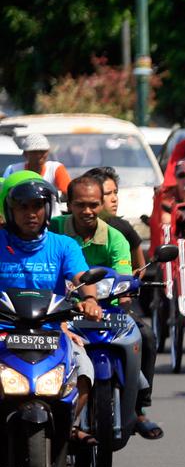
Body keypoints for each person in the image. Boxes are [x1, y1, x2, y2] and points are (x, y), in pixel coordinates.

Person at [50, 174, 163, 439]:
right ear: (69, 204)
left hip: (106, 309)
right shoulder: (53, 230)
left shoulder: (116, 238)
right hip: (60, 309)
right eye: (80, 204)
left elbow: (124, 274)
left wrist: (125, 293)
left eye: (93, 204)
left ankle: (139, 407)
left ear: (102, 204)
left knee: (146, 336)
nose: (87, 211)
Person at [0, 174, 102, 442]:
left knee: (84, 371)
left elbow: (81, 278)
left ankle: (68, 426)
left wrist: (90, 300)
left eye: (36, 206)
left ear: (47, 209)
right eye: (22, 207)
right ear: (10, 210)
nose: (30, 213)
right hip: (3, 331)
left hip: (53, 332)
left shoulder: (63, 245)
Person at [87, 166, 146, 272]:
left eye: (116, 192)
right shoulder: (64, 228)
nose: (114, 199)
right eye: (108, 193)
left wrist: (128, 280)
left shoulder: (123, 228)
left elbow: (139, 267)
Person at [3, 132, 70, 193]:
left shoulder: (55, 169)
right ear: (25, 154)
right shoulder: (13, 170)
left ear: (48, 152)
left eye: (42, 151)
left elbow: (67, 193)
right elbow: (4, 192)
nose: (39, 155)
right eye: (34, 152)